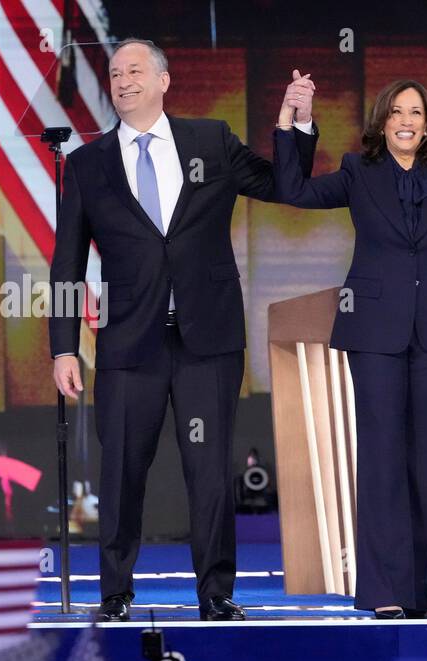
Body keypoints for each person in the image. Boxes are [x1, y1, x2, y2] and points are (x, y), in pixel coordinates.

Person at [49, 39, 319, 622]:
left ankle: (216, 595)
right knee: (121, 474)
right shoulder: (87, 164)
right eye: (115, 73)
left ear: (165, 80)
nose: (123, 81)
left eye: (135, 71)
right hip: (128, 345)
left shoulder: (210, 141)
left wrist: (294, 123)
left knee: (210, 472)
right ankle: (116, 595)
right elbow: (67, 263)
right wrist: (63, 347)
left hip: (207, 340)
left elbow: (282, 186)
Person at [272, 65, 427, 618]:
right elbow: (293, 190)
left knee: (425, 458)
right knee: (382, 456)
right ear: (381, 122)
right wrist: (297, 121)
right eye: (396, 112)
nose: (405, 120)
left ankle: (423, 594)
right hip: (375, 331)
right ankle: (385, 592)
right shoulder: (359, 171)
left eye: (416, 112)